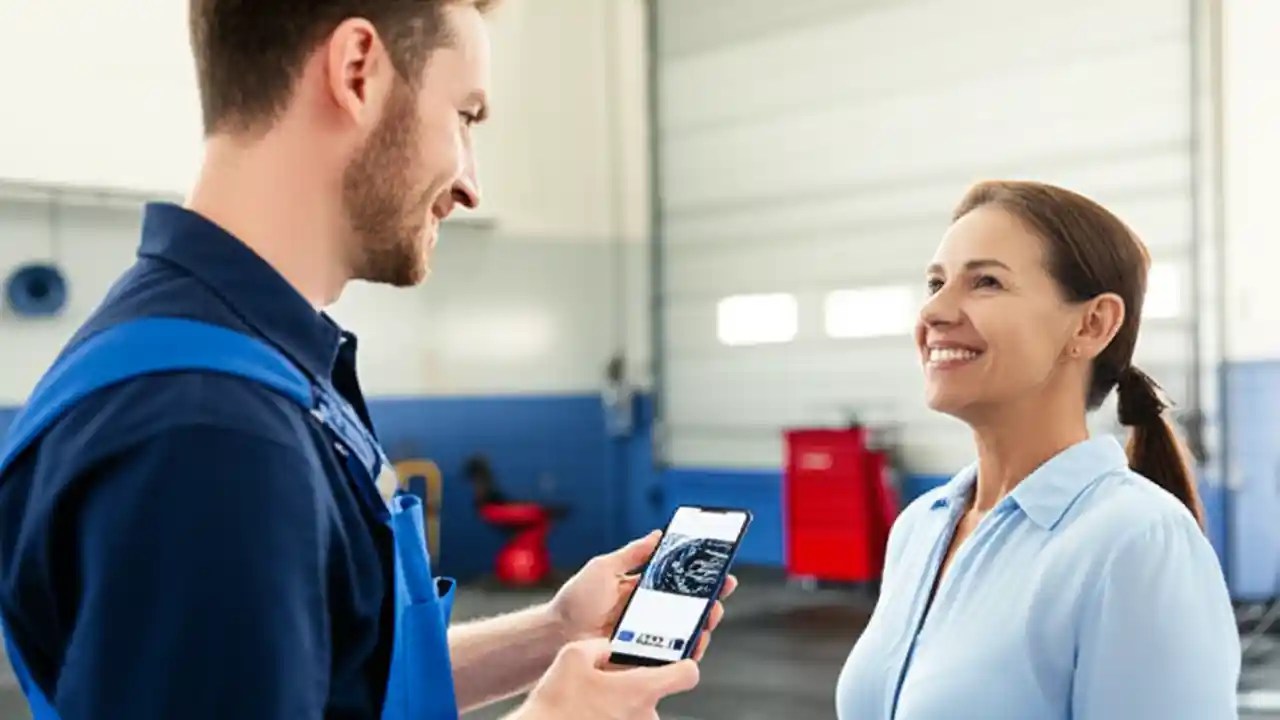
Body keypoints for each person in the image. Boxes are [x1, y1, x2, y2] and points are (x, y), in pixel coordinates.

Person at [0, 2, 735, 719]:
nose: (470, 184)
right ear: (358, 70)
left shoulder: (227, 364)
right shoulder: (213, 434)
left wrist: (553, 634)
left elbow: (328, 679)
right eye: (465, 116)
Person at [835, 180, 1240, 719]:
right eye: (935, 281)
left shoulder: (1136, 542)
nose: (934, 310)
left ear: (1092, 324)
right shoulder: (920, 529)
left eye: (985, 282)